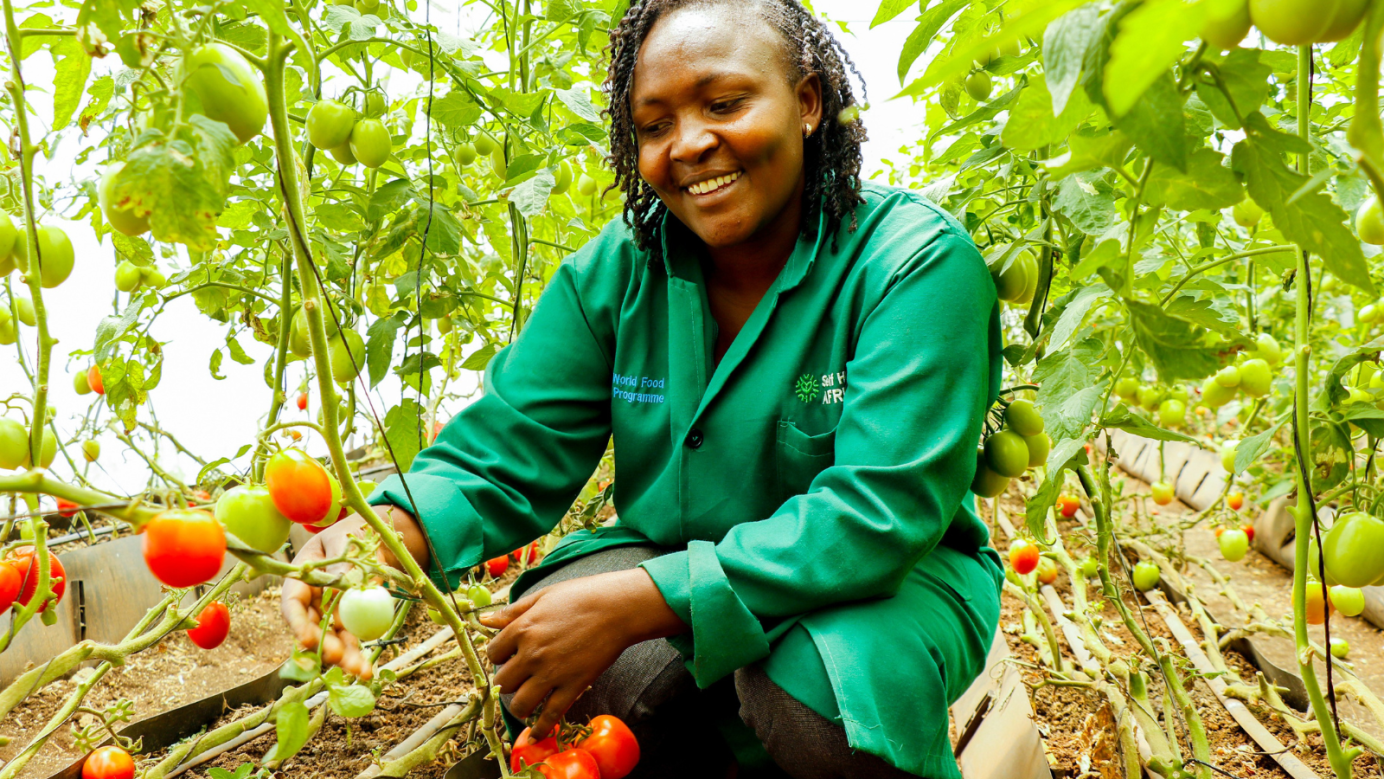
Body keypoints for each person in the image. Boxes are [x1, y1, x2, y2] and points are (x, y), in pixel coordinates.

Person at [282, 0, 1005, 776]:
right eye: (654, 125)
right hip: (672, 551)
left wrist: (639, 600)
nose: (689, 144)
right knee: (569, 666)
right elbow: (509, 443)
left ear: (806, 101)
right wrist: (386, 534)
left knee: (826, 687)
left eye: (724, 104)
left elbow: (877, 514)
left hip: (888, 583)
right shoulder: (620, 269)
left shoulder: (913, 264)